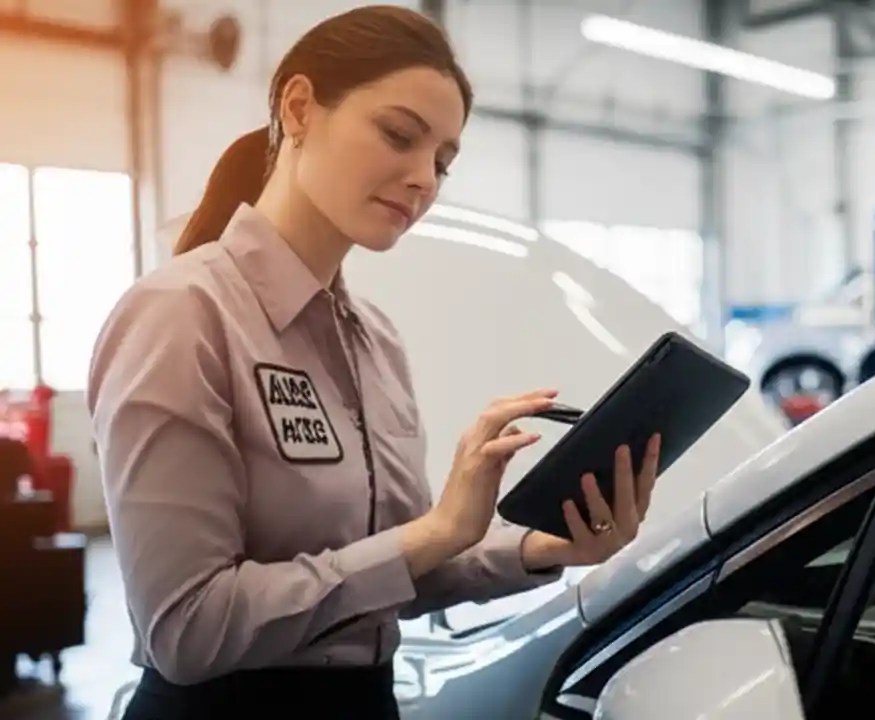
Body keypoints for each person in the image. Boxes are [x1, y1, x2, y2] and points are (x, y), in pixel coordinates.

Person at [86, 6, 660, 718]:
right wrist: (432, 531)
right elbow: (187, 628)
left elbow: (398, 577)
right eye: (399, 136)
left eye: (443, 163)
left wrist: (542, 548)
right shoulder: (182, 314)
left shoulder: (374, 339)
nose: (424, 179)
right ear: (299, 109)